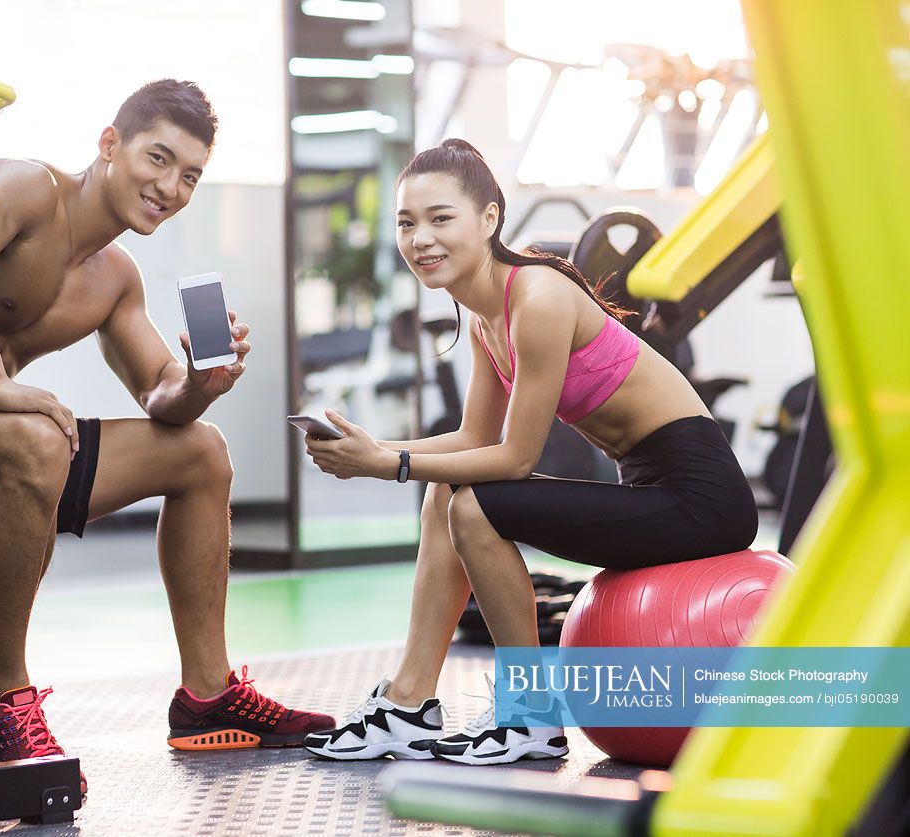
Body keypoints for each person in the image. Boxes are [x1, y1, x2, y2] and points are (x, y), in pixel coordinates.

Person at [0, 80, 333, 798]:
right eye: (157, 158)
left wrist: (201, 382)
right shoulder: (26, 186)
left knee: (201, 451)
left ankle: (208, 695)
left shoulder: (114, 278)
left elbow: (160, 393)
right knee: (38, 438)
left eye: (190, 175)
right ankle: (0, 696)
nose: (170, 186)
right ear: (109, 144)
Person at [300, 138, 757, 765]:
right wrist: (372, 448)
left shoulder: (536, 299)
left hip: (702, 503)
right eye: (406, 223)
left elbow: (515, 459)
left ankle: (530, 716)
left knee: (474, 507)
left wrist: (388, 465)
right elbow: (472, 439)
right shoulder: (484, 317)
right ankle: (408, 705)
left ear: (489, 218)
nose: (421, 239)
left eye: (440, 219)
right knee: (446, 491)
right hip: (650, 487)